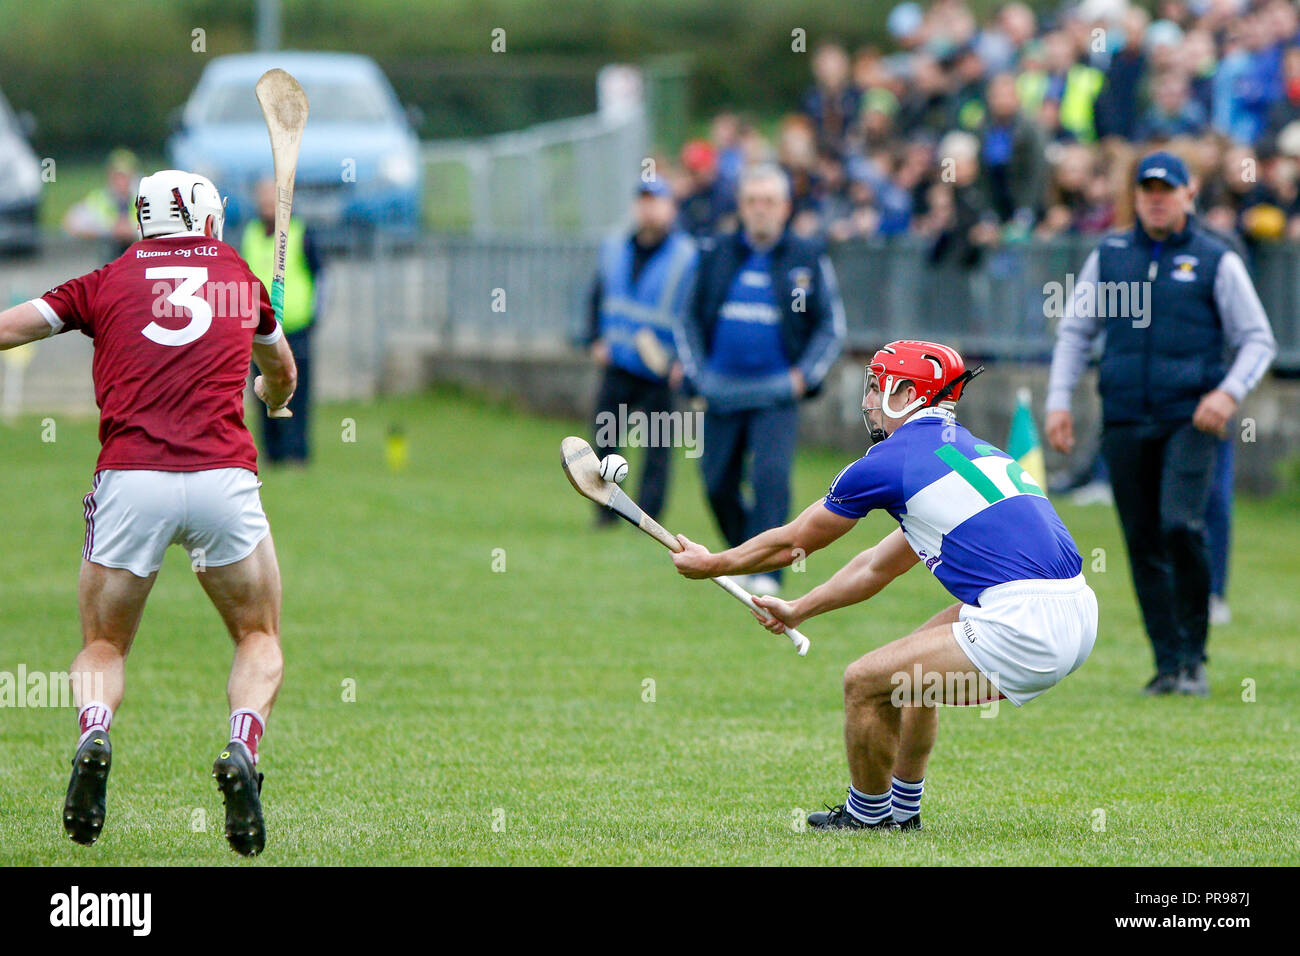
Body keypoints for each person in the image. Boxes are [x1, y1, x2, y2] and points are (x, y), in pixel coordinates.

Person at [672, 340, 1096, 830]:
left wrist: (715, 563)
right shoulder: (968, 450)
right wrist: (800, 608)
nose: (869, 399)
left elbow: (794, 542)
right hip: (1077, 610)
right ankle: (902, 812)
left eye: (878, 386)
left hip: (1025, 622)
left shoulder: (888, 461)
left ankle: (867, 816)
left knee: (864, 681)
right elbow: (878, 565)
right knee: (911, 675)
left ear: (909, 394)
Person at [0, 169, 297, 856]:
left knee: (104, 645)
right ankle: (243, 747)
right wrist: (271, 388)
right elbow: (282, 370)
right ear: (209, 221)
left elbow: (12, 328)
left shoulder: (106, 281)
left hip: (130, 481)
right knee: (258, 633)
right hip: (223, 479)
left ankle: (95, 731)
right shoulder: (235, 277)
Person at [1045, 151, 1277, 698]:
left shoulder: (1215, 259)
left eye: (1166, 189)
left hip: (1191, 416)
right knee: (1142, 538)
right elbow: (1077, 331)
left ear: (1188, 193)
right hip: (1124, 414)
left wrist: (1228, 393)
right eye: (1146, 188)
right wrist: (1059, 400)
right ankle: (1167, 661)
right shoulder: (1112, 254)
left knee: (1180, 525)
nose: (1155, 197)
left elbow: (1257, 339)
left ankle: (1193, 656)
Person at [675, 163, 845, 596]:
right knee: (716, 483)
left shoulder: (806, 257)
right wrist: (699, 376)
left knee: (771, 479)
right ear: (740, 206)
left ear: (785, 207)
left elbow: (832, 326)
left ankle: (767, 574)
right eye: (752, 201)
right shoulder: (714, 253)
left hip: (776, 395)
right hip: (721, 393)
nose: (760, 210)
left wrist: (804, 378)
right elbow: (686, 320)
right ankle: (745, 554)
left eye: (769, 201)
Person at [582, 178, 698, 525]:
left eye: (655, 201)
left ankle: (646, 518)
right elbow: (596, 296)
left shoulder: (687, 256)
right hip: (617, 363)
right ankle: (606, 513)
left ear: (670, 207)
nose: (648, 208)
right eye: (643, 201)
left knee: (657, 449)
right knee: (605, 440)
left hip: (661, 370)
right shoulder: (614, 247)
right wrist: (593, 339)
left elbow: (696, 311)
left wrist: (684, 362)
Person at [241, 178, 321, 465]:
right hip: (259, 329)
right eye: (262, 198)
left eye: (271, 198)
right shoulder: (250, 233)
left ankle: (297, 453)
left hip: (295, 327)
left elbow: (321, 276)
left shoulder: (300, 232)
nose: (266, 204)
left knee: (296, 390)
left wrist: (314, 316)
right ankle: (273, 454)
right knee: (263, 389)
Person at [62, 149, 140, 259]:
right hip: (109, 256)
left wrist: (130, 231)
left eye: (124, 176)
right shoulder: (99, 198)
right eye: (117, 176)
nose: (120, 181)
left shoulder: (143, 197)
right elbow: (70, 224)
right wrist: (109, 231)